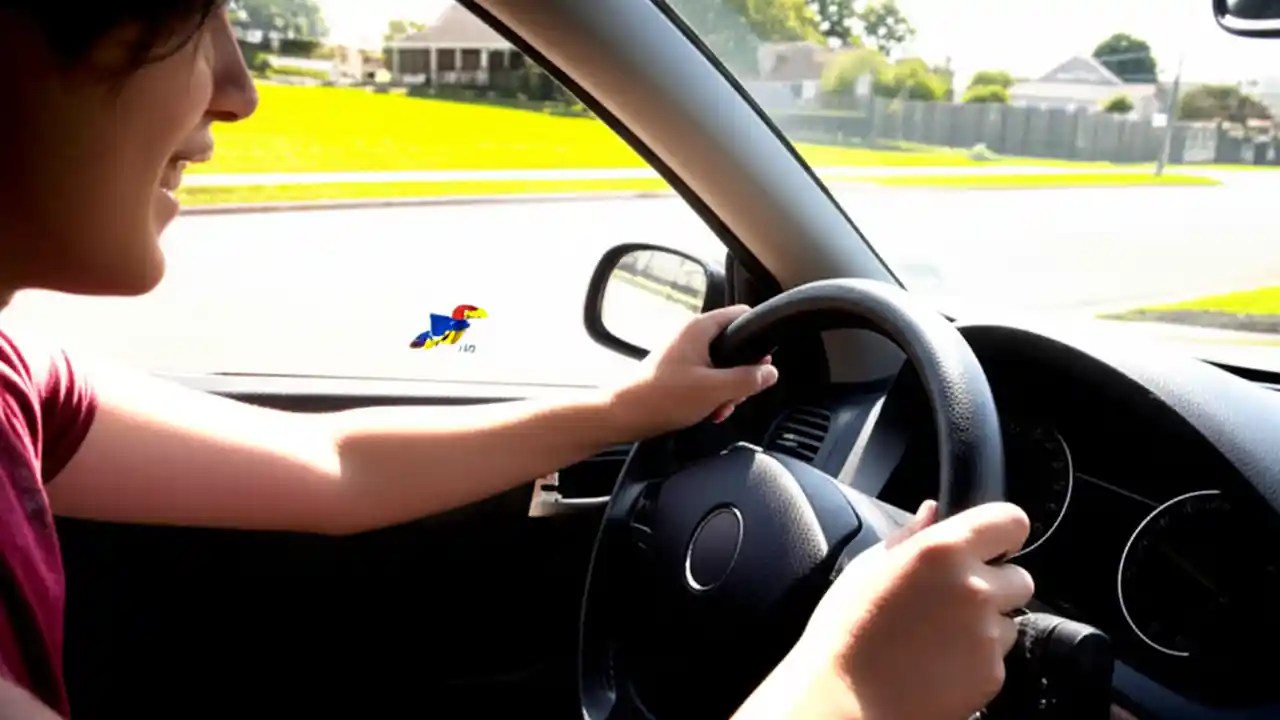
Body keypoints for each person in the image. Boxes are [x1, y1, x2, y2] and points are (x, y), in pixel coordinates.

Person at [0, 3, 1033, 718]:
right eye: (193, 14)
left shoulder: (15, 380)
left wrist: (620, 408)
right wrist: (856, 687)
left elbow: (335, 467)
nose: (237, 89)